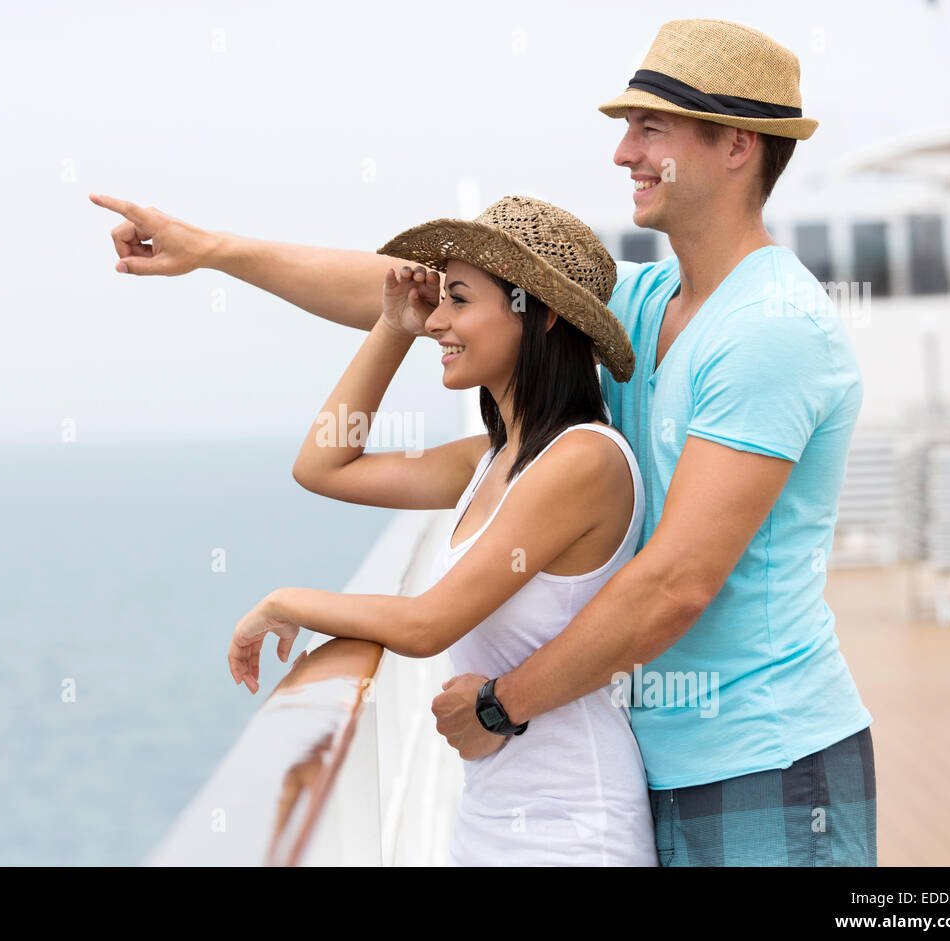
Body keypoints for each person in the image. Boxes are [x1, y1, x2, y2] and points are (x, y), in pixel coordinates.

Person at [89, 17, 876, 867]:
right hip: (653, 755)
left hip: (767, 762)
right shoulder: (650, 306)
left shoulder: (770, 329)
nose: (623, 153)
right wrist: (215, 250)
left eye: (652, 128)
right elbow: (410, 296)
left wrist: (503, 705)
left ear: (735, 145)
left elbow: (676, 585)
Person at [226, 197, 657, 866]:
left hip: (574, 826)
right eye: (438, 302)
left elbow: (428, 625)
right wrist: (392, 326)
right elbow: (323, 465)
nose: (439, 321)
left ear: (538, 313)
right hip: (491, 815)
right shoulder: (493, 459)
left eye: (458, 299)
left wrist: (288, 602)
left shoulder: (582, 459)